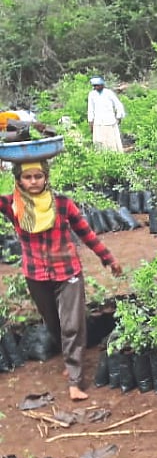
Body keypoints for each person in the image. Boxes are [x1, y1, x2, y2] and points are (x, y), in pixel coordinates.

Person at [0, 160, 122, 401]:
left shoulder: (62, 204)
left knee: (72, 324)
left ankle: (75, 379)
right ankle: (69, 355)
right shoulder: (12, 204)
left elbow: (86, 232)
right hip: (36, 274)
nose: (34, 181)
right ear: (18, 180)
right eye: (28, 177)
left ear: (46, 177)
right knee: (53, 322)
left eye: (38, 176)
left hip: (68, 272)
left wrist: (107, 258)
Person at [86, 77, 125, 152]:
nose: (96, 87)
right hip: (98, 123)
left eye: (97, 85)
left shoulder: (108, 93)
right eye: (94, 86)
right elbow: (90, 109)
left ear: (102, 85)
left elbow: (118, 105)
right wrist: (91, 122)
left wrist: (119, 117)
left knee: (112, 143)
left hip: (110, 122)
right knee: (99, 144)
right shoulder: (92, 94)